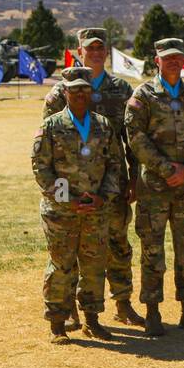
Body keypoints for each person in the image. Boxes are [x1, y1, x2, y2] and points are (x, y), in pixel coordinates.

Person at [43, 27, 142, 328]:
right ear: (79, 50)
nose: (96, 53)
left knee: (118, 244)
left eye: (101, 47)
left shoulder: (122, 90)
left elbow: (131, 139)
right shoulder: (60, 92)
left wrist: (134, 178)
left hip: (111, 187)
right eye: (91, 48)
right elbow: (47, 148)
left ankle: (122, 304)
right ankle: (71, 308)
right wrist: (62, 195)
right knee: (72, 250)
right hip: (73, 190)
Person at [124, 38, 184, 336]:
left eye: (178, 57)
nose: (173, 62)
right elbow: (135, 137)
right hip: (155, 187)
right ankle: (152, 311)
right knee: (152, 251)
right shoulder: (144, 94)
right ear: (157, 60)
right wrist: (165, 168)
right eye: (167, 57)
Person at [33, 66, 124, 343]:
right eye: (75, 90)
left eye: (85, 89)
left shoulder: (103, 125)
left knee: (94, 265)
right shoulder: (51, 126)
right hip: (61, 213)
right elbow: (41, 167)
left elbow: (114, 165)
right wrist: (67, 200)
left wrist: (102, 197)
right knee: (62, 266)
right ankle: (57, 323)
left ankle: (92, 319)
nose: (80, 94)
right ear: (65, 92)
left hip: (96, 210)